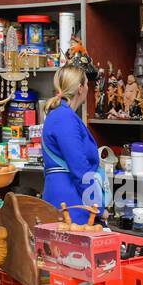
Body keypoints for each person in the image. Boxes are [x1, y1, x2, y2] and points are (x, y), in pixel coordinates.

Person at [41, 64, 103, 225]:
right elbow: (79, 168)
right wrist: (98, 206)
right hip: (70, 199)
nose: (89, 88)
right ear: (80, 88)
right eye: (88, 84)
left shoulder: (60, 115)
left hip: (62, 193)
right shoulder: (64, 118)